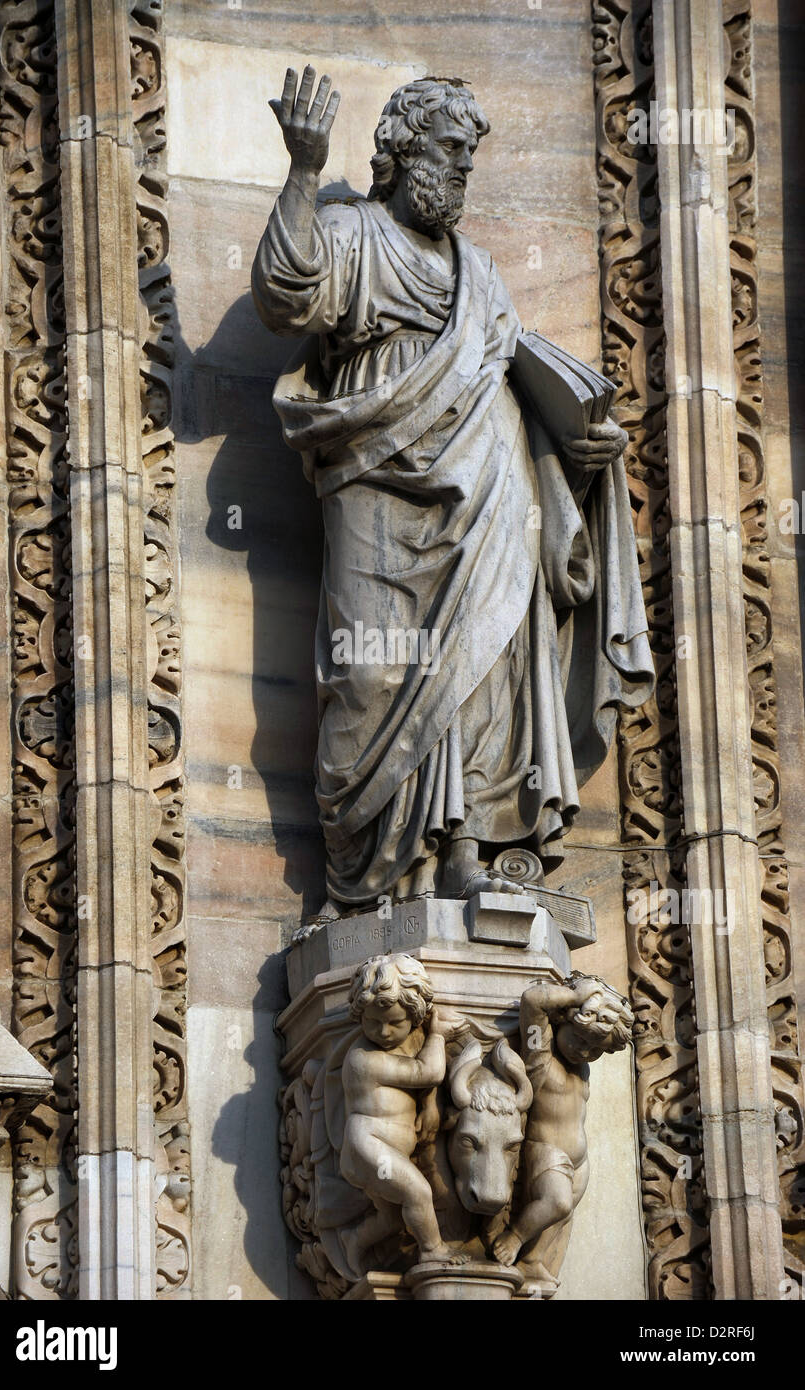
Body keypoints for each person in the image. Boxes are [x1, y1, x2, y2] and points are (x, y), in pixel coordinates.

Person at [251, 68, 654, 917]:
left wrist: (579, 444)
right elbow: (287, 297)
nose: (461, 171)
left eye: (469, 157)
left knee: (483, 658)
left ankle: (465, 843)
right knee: (370, 671)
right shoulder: (350, 230)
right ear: (400, 152)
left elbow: (516, 381)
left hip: (486, 477)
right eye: (447, 151)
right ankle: (366, 873)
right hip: (373, 465)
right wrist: (301, 167)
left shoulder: (483, 274)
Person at [491, 972, 633, 1286]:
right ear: (562, 1021)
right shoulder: (541, 1057)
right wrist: (578, 994)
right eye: (580, 1039)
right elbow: (533, 1001)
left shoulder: (580, 1067)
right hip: (545, 1150)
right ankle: (514, 1237)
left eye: (594, 1049)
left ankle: (531, 1260)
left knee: (562, 1215)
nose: (584, 1051)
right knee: (556, 1203)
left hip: (577, 1160)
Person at [339, 954, 467, 1269]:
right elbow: (428, 1072)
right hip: (368, 1145)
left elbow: (422, 1080)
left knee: (392, 1218)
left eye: (395, 1023)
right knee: (418, 1192)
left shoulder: (399, 1048)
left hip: (385, 1150)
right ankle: (433, 1250)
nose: (383, 1032)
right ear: (359, 1016)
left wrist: (429, 1102)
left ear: (415, 1016)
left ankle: (354, 1239)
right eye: (373, 1021)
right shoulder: (362, 1060)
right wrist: (437, 1035)